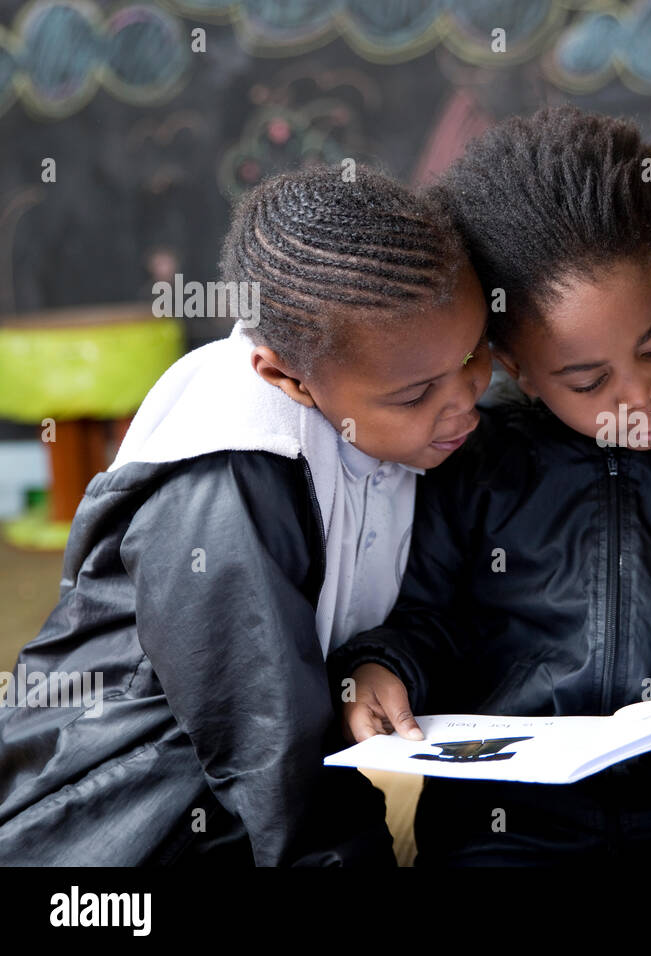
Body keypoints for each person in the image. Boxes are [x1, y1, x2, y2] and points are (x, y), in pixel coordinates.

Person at [331, 106, 651, 866]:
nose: (640, 395)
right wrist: (381, 667)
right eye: (587, 379)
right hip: (507, 835)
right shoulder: (474, 458)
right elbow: (425, 616)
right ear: (513, 367)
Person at [0, 166, 491, 865]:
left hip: (233, 797)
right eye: (416, 394)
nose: (464, 402)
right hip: (109, 813)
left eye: (475, 356)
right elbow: (269, 748)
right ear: (285, 377)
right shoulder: (230, 476)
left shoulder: (388, 407)